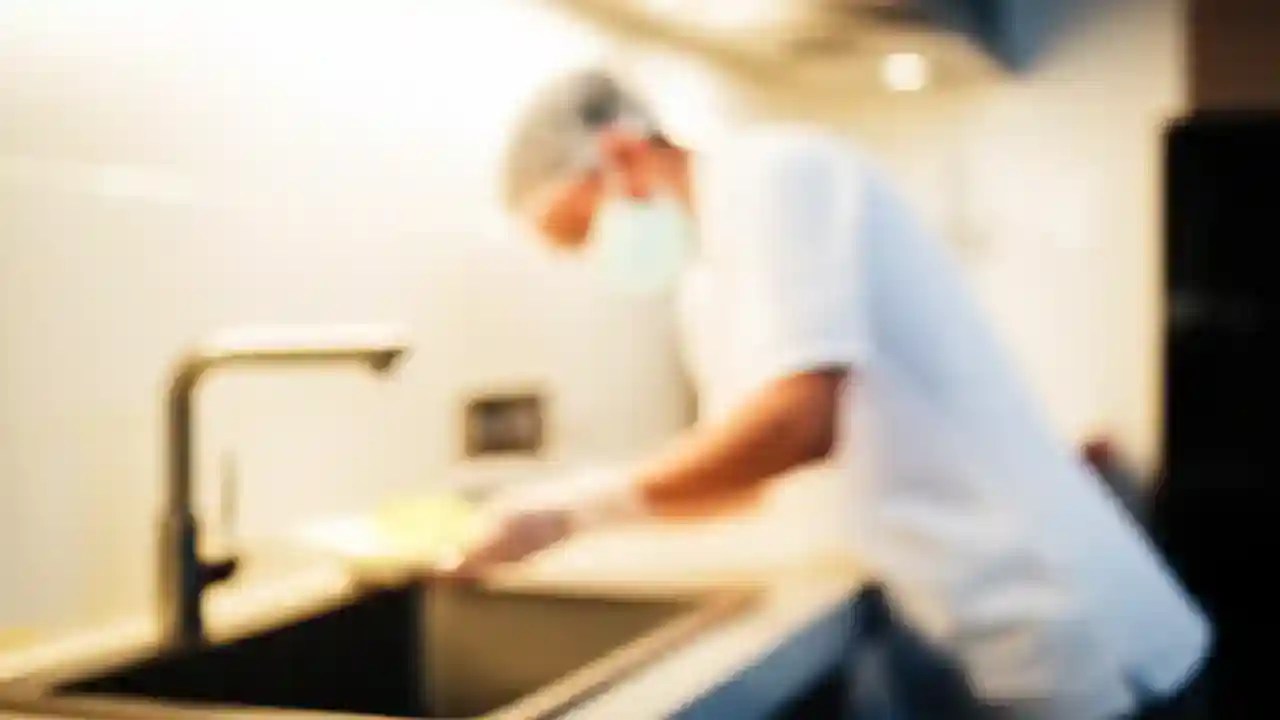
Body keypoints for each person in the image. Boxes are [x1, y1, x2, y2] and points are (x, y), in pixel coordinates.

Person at [461, 70, 1211, 719]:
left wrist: (574, 508)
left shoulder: (774, 175)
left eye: (584, 231)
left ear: (622, 154)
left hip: (1075, 626)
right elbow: (741, 482)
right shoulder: (706, 287)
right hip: (982, 626)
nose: (598, 257)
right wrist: (554, 522)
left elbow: (797, 426)